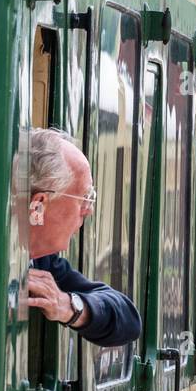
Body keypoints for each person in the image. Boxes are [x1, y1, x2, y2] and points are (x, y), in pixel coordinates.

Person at [26, 128, 142, 346]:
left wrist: (68, 306)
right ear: (38, 205)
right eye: (84, 198)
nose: (88, 210)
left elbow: (128, 319)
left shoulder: (43, 262)